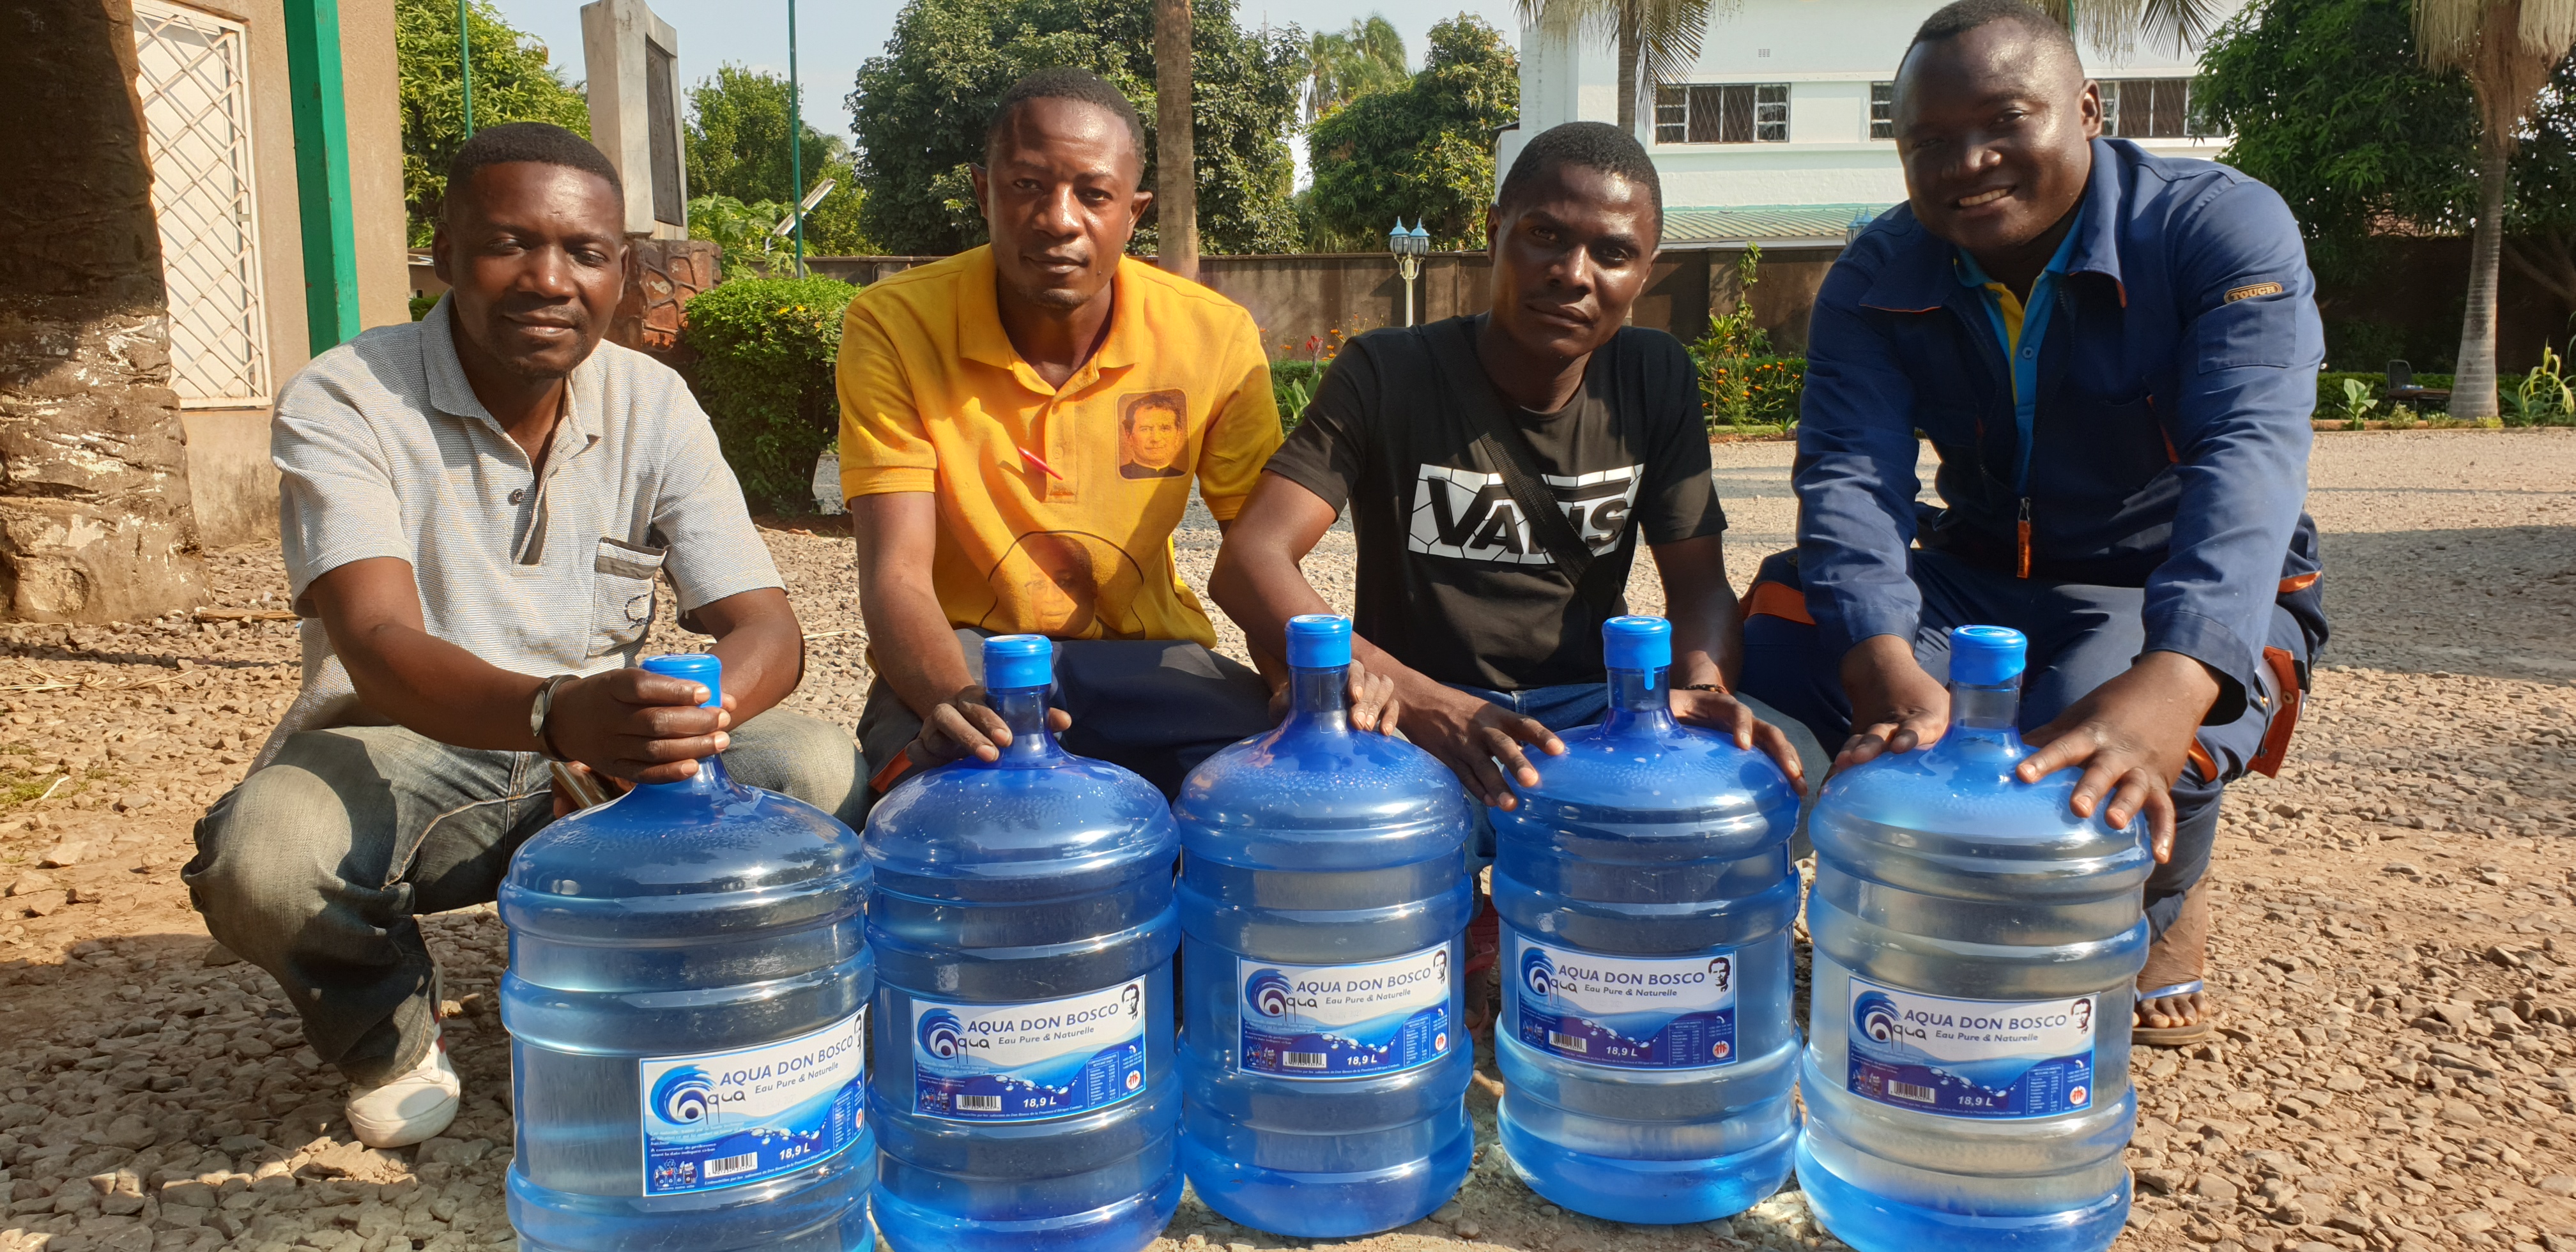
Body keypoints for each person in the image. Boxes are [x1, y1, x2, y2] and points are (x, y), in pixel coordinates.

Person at [183, 123, 865, 1149]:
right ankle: (389, 1028)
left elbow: (763, 624)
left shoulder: (653, 401)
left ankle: (639, 976)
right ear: (444, 251)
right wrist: (551, 713)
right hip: (407, 751)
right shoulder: (348, 397)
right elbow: (373, 636)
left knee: (817, 765)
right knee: (267, 860)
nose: (550, 279)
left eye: (585, 254)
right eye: (510, 244)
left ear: (620, 273)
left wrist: (687, 717)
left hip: (607, 766)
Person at [1733, 0, 2329, 1047]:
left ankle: (2161, 903)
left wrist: (2170, 686)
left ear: (2087, 110)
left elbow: (2248, 466)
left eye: (2005, 120)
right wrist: (1887, 678)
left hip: (2150, 583)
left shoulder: (2213, 231)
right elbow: (1848, 489)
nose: (1967, 162)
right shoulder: (1877, 277)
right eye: (1928, 142)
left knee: (2094, 754)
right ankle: (1806, 886)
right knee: (1785, 624)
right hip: (1976, 573)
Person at [1207, 122, 1821, 1027]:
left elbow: (1695, 582)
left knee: (1780, 768)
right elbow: (1250, 559)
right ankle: (1476, 922)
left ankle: (1552, 929)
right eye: (1546, 235)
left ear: (1643, 274)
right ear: (1495, 232)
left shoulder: (1653, 377)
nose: (1574, 272)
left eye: (1613, 253)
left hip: (1590, 720)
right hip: (1418, 731)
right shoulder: (1391, 369)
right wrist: (1405, 694)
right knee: (1309, 832)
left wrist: (1692, 691)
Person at [838, 68, 1353, 798]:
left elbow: (1257, 552)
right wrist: (959, 703)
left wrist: (1288, 691)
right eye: (1025, 187)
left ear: (1133, 211)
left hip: (1149, 661)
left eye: (1093, 193)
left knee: (1278, 797)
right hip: (970, 658)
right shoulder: (896, 326)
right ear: (984, 194)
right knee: (963, 815)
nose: (1058, 217)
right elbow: (895, 574)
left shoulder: (1212, 337)